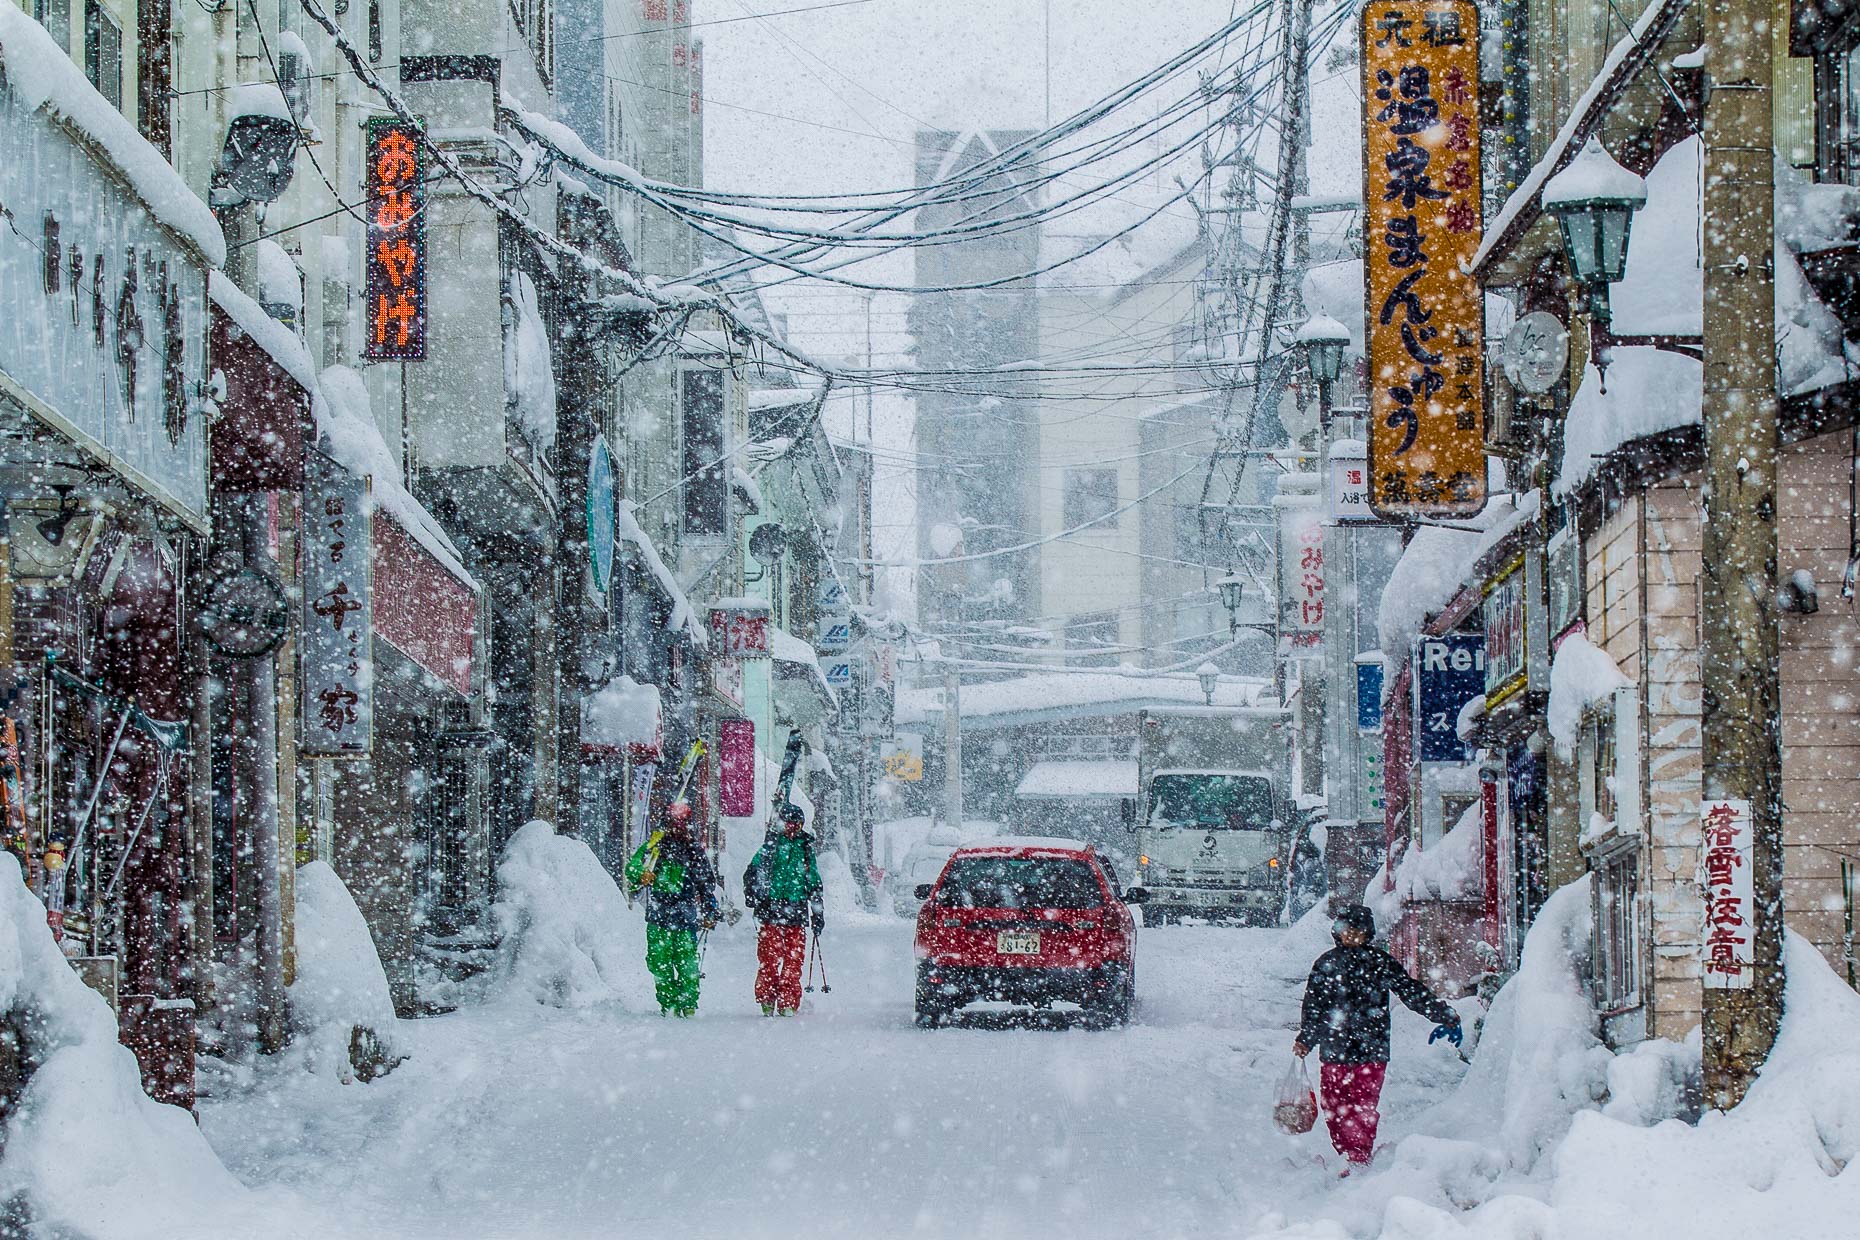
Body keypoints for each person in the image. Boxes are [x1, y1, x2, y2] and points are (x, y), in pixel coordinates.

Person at [1293, 903, 1461, 1169]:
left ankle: (1358, 1154)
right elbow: (1314, 1006)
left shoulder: (1380, 962)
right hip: (1334, 1048)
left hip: (1371, 1049)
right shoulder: (1326, 964)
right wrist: (1306, 1038)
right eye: (1345, 929)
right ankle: (1344, 1152)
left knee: (1362, 1105)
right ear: (1337, 931)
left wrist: (1442, 1013)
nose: (1350, 935)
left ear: (1367, 933)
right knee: (1333, 1105)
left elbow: (1410, 991)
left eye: (1356, 930)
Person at [624, 801, 719, 1017]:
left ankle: (688, 1003)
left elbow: (706, 884)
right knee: (660, 962)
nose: (678, 827)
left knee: (687, 964)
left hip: (684, 916)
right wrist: (641, 875)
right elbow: (633, 867)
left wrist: (710, 909)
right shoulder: (655, 846)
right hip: (659, 914)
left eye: (682, 822)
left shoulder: (693, 850)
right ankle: (669, 1003)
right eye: (675, 822)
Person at [742, 803, 824, 1017]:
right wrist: (752, 894)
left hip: (796, 912)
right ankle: (767, 999)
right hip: (771, 910)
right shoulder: (770, 846)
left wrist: (817, 912)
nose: (794, 827)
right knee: (769, 959)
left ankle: (788, 1001)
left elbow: (813, 880)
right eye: (790, 823)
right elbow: (752, 871)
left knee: (793, 961)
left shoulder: (805, 848)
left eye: (798, 823)